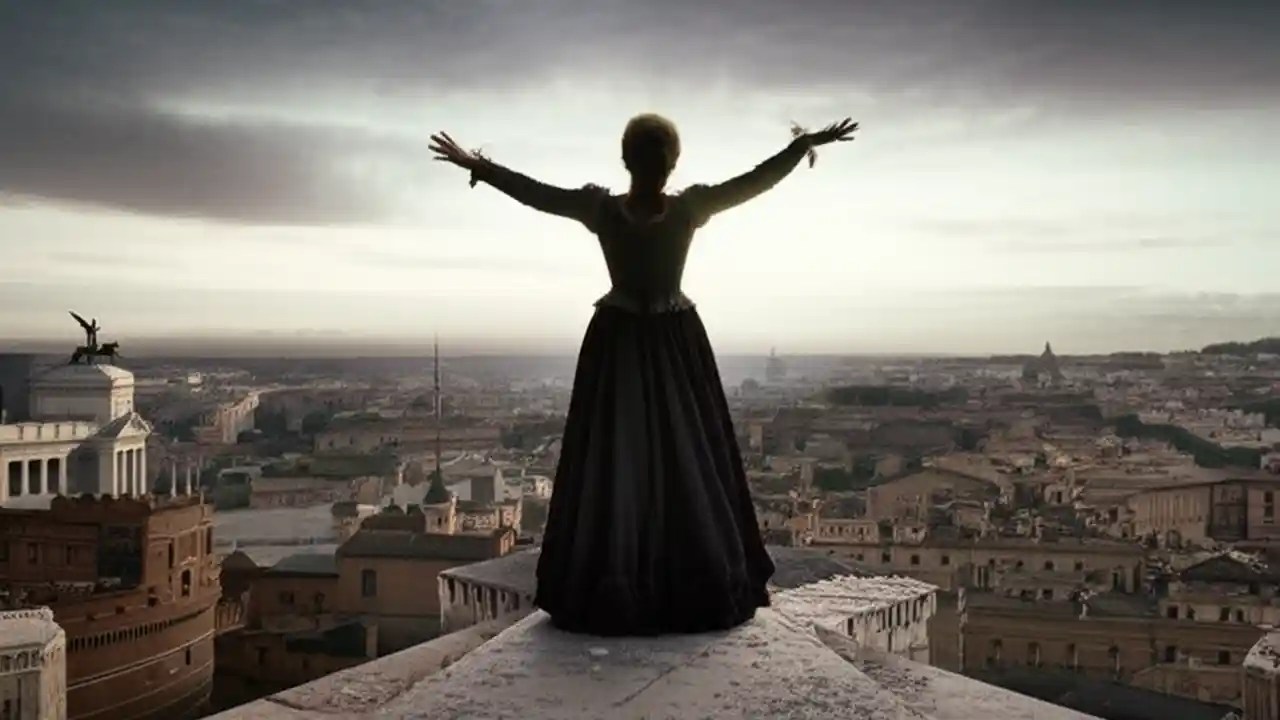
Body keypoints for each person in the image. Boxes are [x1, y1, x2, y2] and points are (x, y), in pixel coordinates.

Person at [429, 114, 858, 636]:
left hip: (619, 343)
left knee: (615, 459)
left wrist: (477, 165)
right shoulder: (689, 208)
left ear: (626, 160)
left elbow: (535, 194)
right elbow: (755, 182)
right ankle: (688, 577)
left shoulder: (603, 210)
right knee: (688, 455)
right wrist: (803, 145)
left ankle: (612, 580)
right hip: (677, 343)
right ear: (672, 163)